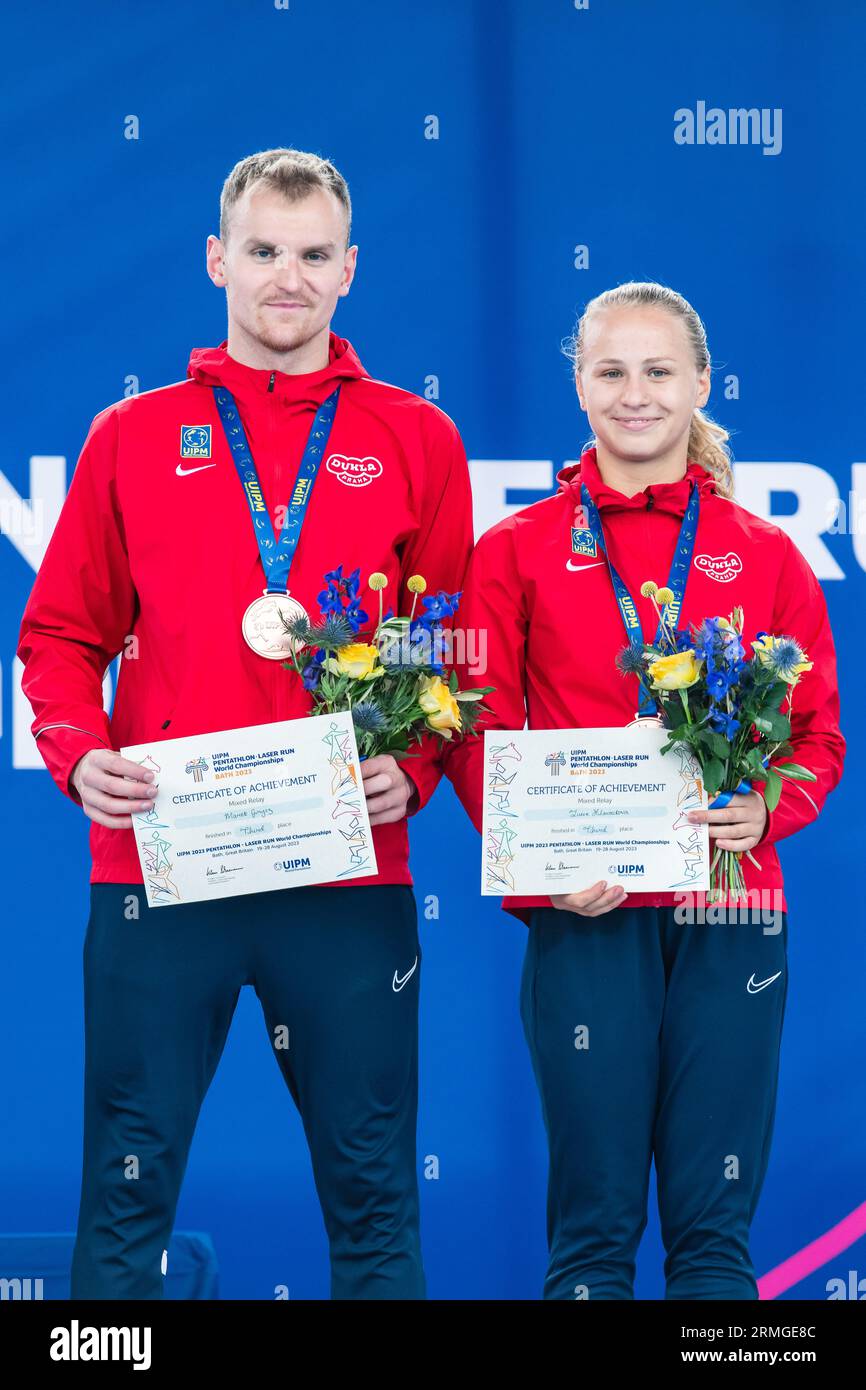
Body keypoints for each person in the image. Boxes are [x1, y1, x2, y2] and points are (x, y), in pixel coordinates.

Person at [17, 147, 473, 1300]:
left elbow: (449, 652)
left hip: (347, 876)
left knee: (374, 1199)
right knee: (125, 1191)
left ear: (349, 269)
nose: (288, 277)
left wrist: (412, 769)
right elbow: (61, 638)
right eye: (264, 251)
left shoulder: (419, 440)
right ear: (218, 259)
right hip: (161, 865)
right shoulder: (131, 436)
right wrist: (81, 756)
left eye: (313, 255)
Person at [444, 281, 845, 1300]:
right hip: (587, 913)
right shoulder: (515, 550)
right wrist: (536, 864)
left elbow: (816, 737)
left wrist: (766, 807)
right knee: (591, 1231)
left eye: (657, 370)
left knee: (713, 1237)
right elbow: (470, 728)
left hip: (730, 906)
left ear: (699, 383)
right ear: (577, 382)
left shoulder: (765, 555)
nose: (634, 393)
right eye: (609, 370)